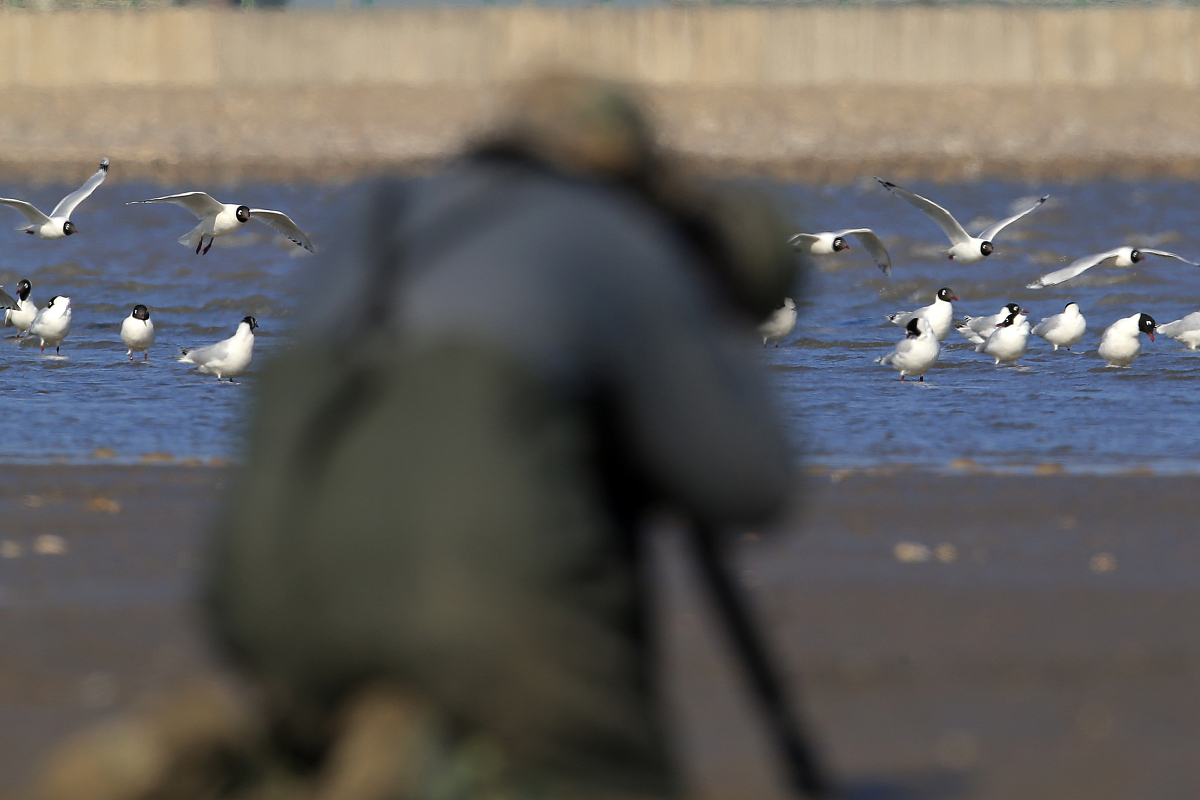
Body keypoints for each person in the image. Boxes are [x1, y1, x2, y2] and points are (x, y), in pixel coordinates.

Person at [29, 74, 802, 800]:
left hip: (260, 588)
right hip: (466, 603)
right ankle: (409, 755)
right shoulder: (614, 233)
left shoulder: (382, 212)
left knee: (319, 711)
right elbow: (750, 483)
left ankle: (249, 749)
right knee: (594, 770)